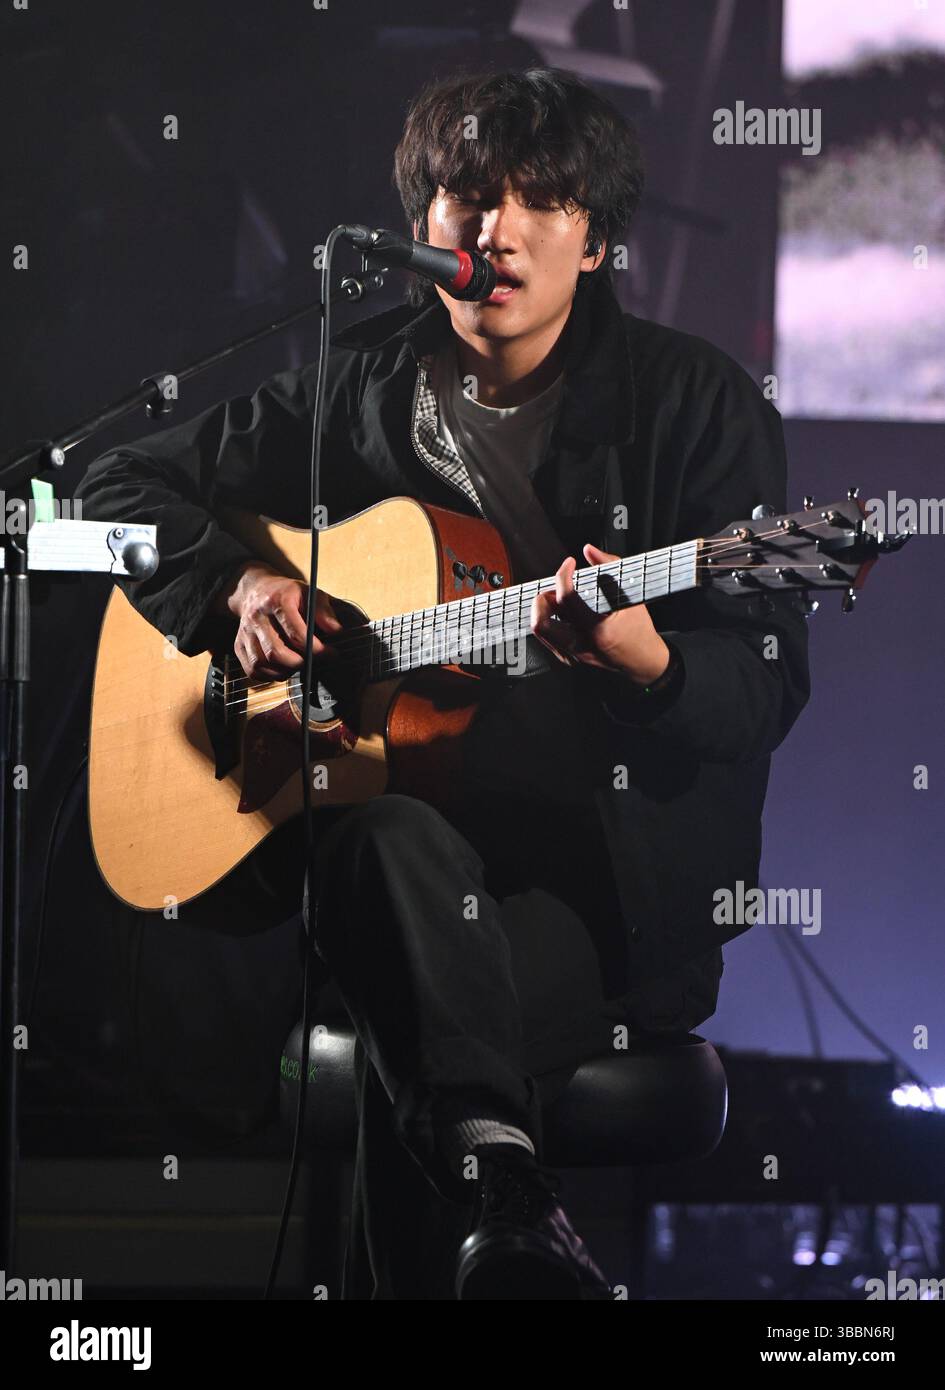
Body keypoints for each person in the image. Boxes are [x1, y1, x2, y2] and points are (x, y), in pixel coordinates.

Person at [76, 67, 811, 1300]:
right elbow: (114, 486)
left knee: (408, 1006)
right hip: (409, 870)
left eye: (542, 199)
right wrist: (238, 594)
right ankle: (510, 1210)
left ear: (598, 235)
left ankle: (486, 1190)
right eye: (469, 195)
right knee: (380, 851)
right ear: (422, 228)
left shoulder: (696, 406)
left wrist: (655, 664)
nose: (497, 227)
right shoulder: (353, 385)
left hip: (604, 896)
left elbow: (763, 691)